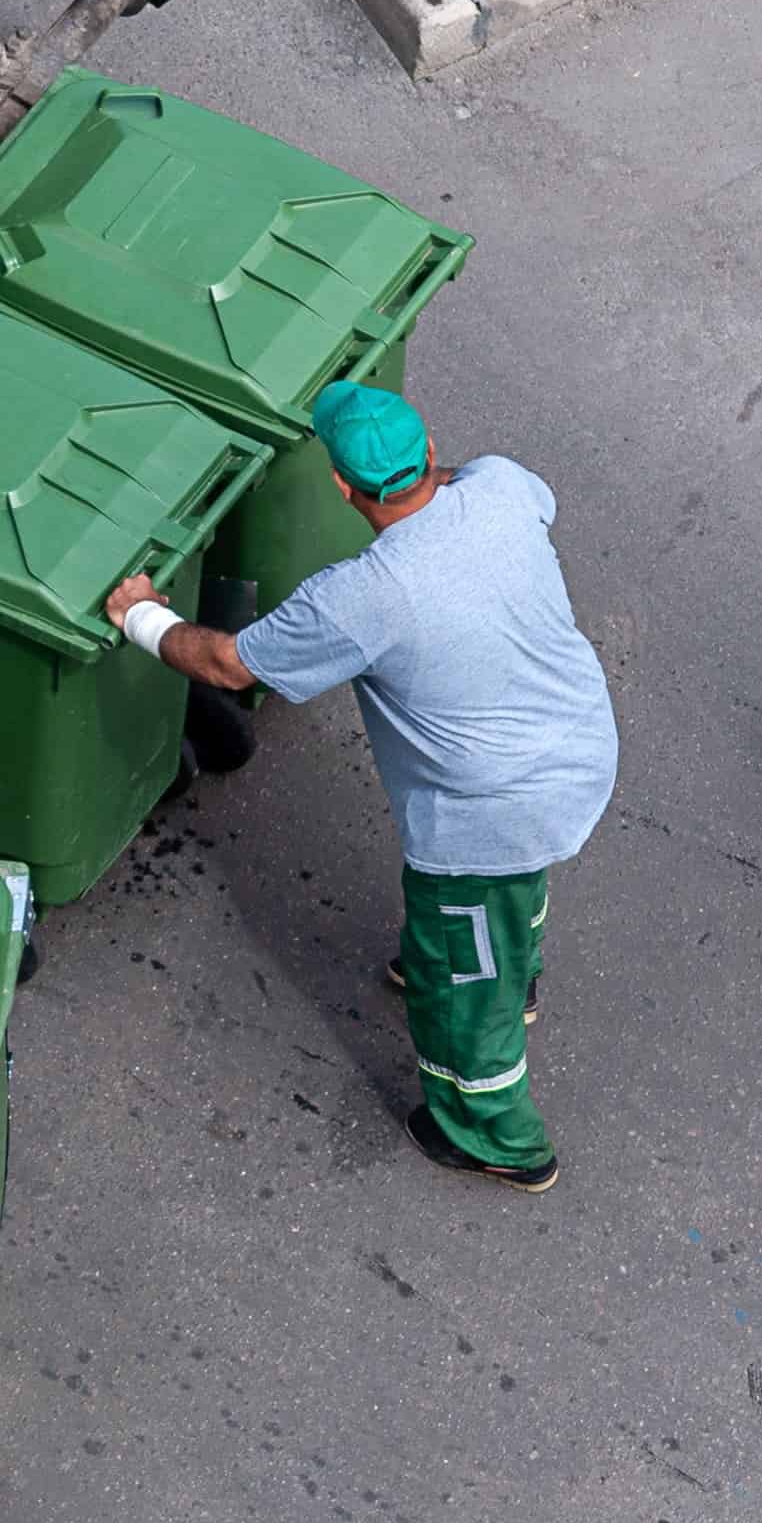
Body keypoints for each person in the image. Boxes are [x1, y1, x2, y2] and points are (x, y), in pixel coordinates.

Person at [107, 385, 616, 1194]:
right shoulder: (503, 486)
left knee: (465, 980)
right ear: (432, 450)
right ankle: (507, 978)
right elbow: (496, 504)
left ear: (341, 488)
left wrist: (140, 616)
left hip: (491, 810)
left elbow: (227, 665)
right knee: (505, 896)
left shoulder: (363, 596)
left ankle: (495, 1134)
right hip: (576, 747)